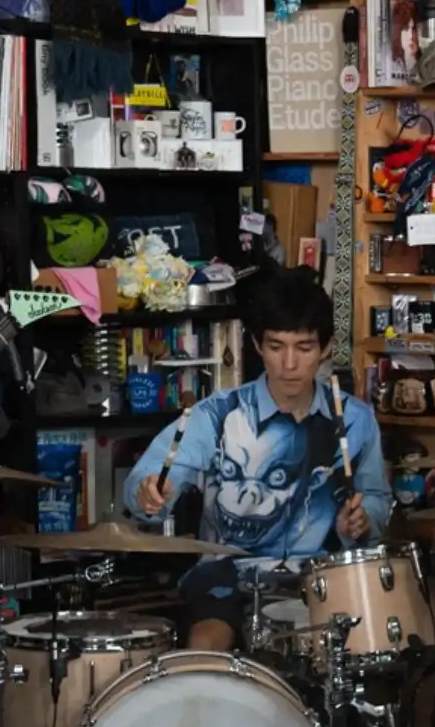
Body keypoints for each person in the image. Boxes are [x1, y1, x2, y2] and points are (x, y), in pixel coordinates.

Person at [125, 266, 387, 650]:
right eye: (277, 347)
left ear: (327, 347)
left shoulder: (354, 419)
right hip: (224, 576)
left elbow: (378, 499)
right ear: (256, 345)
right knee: (206, 650)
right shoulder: (217, 414)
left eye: (304, 347)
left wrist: (364, 521)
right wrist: (149, 493)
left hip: (320, 577)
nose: (290, 364)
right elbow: (147, 480)